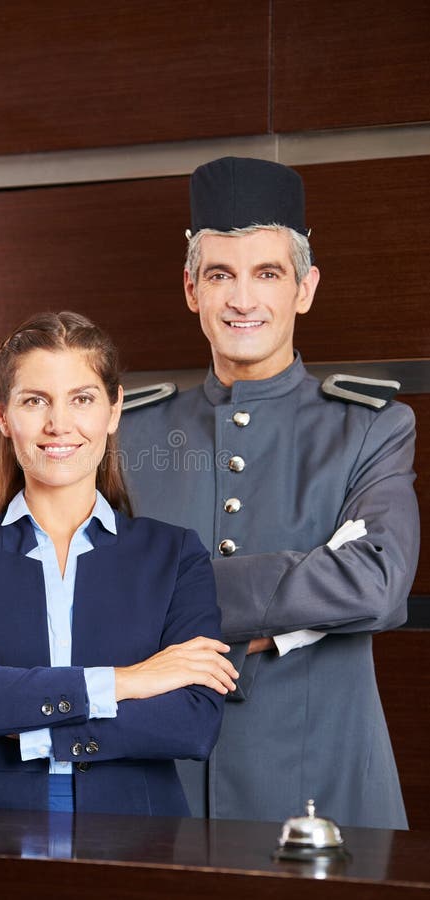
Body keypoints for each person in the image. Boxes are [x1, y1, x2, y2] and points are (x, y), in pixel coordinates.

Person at [120, 156, 420, 829]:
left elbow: (376, 583)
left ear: (304, 289)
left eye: (267, 274)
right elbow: (95, 597)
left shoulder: (370, 426)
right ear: (191, 290)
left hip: (325, 784)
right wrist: (302, 599)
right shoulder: (126, 433)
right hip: (161, 787)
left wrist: (175, 593)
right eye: (220, 275)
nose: (243, 300)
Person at [0, 311, 238, 815]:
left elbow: (191, 722)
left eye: (82, 398)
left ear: (114, 408)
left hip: (137, 843)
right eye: (35, 401)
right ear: (2, 413)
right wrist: (129, 680)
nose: (58, 424)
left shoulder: (176, 556)